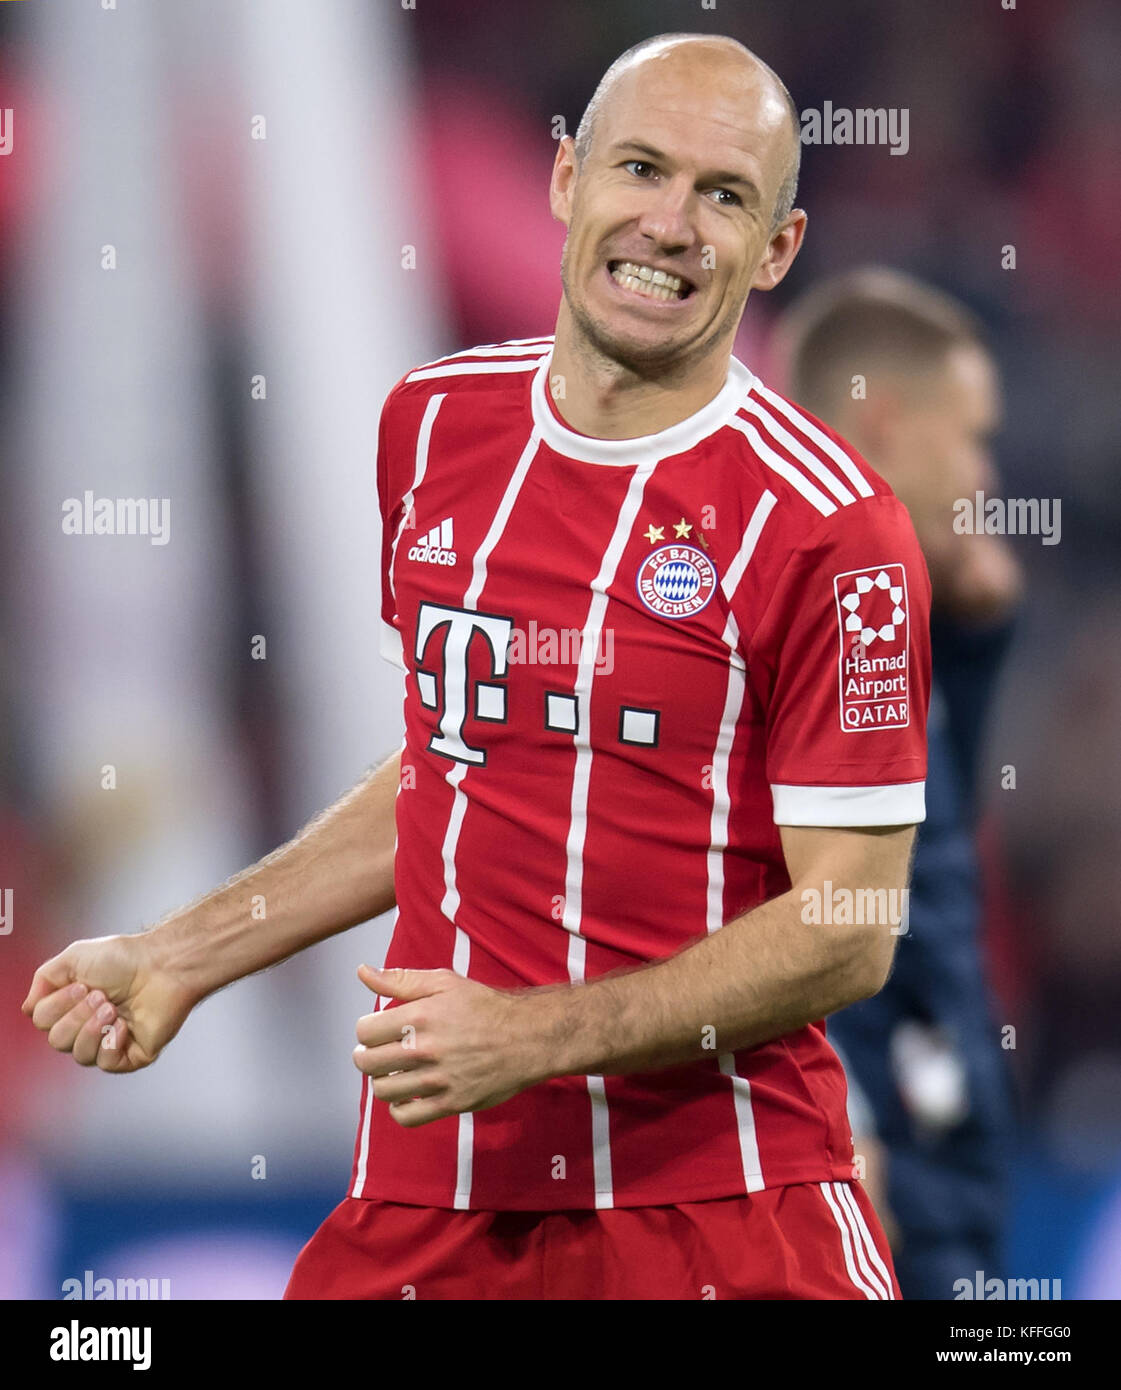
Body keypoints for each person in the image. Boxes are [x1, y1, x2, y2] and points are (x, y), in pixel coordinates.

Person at [23, 33, 931, 1300]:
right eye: (639, 169)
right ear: (565, 177)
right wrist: (182, 953)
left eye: (722, 195)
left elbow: (850, 926)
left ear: (775, 249)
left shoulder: (833, 529)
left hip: (717, 1215)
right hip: (431, 1204)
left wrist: (534, 1037)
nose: (668, 224)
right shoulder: (434, 426)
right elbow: (454, 766)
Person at [776, 268, 1021, 1298]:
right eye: (969, 440)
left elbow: (930, 846)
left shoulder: (898, 619)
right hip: (872, 1167)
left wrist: (974, 639)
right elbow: (765, 897)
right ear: (883, 423)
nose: (984, 477)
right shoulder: (805, 619)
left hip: (942, 1161)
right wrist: (849, 1120)